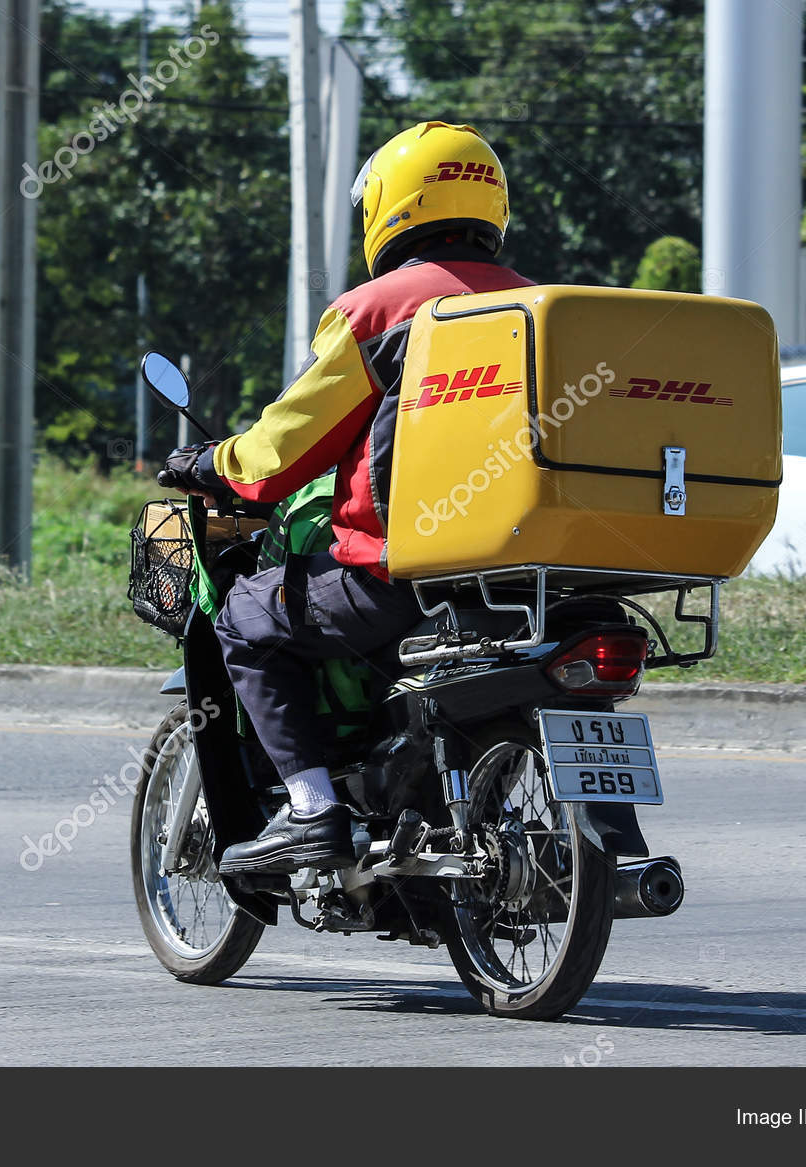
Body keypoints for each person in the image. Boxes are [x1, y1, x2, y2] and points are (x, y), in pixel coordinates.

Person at [159, 121, 534, 875]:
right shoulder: (543, 304)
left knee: (244, 616)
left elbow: (281, 452)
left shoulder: (379, 309)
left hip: (404, 577)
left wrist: (208, 462)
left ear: (392, 207)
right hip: (537, 581)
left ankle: (312, 808)